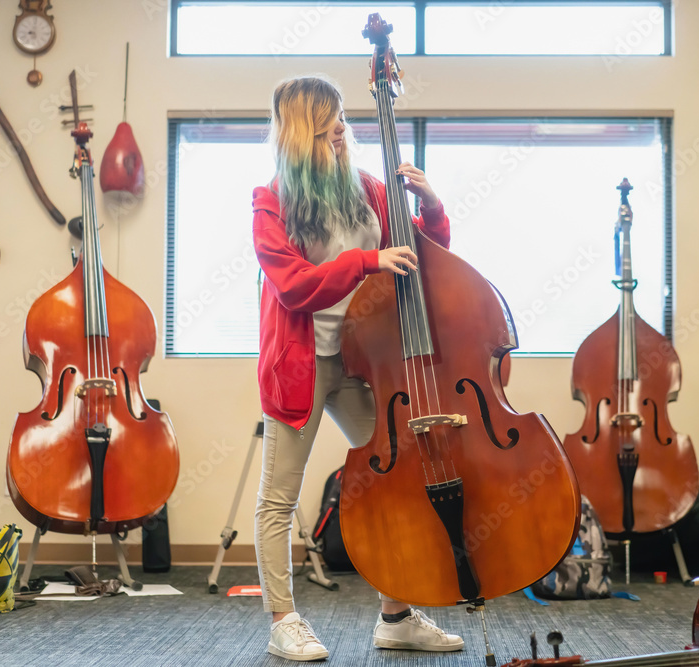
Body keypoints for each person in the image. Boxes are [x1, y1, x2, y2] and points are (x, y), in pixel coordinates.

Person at [251, 75, 464, 661]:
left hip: (362, 364)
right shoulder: (270, 203)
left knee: (395, 482)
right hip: (301, 366)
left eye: (342, 121)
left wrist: (432, 206)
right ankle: (283, 620)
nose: (341, 132)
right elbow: (295, 288)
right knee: (279, 498)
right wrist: (364, 259)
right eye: (327, 127)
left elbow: (421, 259)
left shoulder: (367, 189)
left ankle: (395, 616)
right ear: (300, 135)